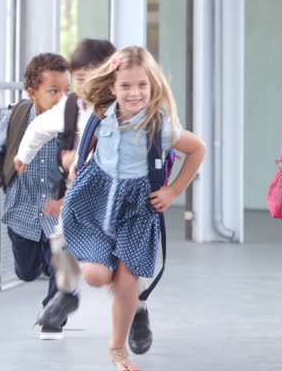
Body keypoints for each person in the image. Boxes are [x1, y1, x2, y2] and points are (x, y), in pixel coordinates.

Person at [58, 46, 206, 371]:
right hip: (98, 197)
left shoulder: (160, 126)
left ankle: (117, 349)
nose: (134, 93)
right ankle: (129, 300)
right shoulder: (103, 114)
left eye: (142, 85)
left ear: (152, 86)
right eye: (125, 85)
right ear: (112, 87)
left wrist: (173, 190)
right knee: (97, 277)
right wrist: (79, 163)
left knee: (125, 284)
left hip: (138, 206)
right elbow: (94, 140)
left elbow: (197, 149)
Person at [14, 39, 155, 353]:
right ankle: (66, 293)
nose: (86, 86)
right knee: (61, 238)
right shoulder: (71, 107)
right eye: (79, 79)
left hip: (124, 195)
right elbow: (38, 128)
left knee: (127, 258)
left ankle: (138, 309)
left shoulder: (127, 108)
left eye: (94, 78)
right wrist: (24, 154)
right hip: (81, 193)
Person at [0, 53, 71, 339]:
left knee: (62, 260)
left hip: (58, 208)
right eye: (53, 91)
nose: (62, 98)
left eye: (67, 90)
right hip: (23, 207)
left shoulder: (72, 121)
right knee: (26, 271)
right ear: (32, 93)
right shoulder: (17, 118)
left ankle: (53, 316)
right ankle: (38, 264)